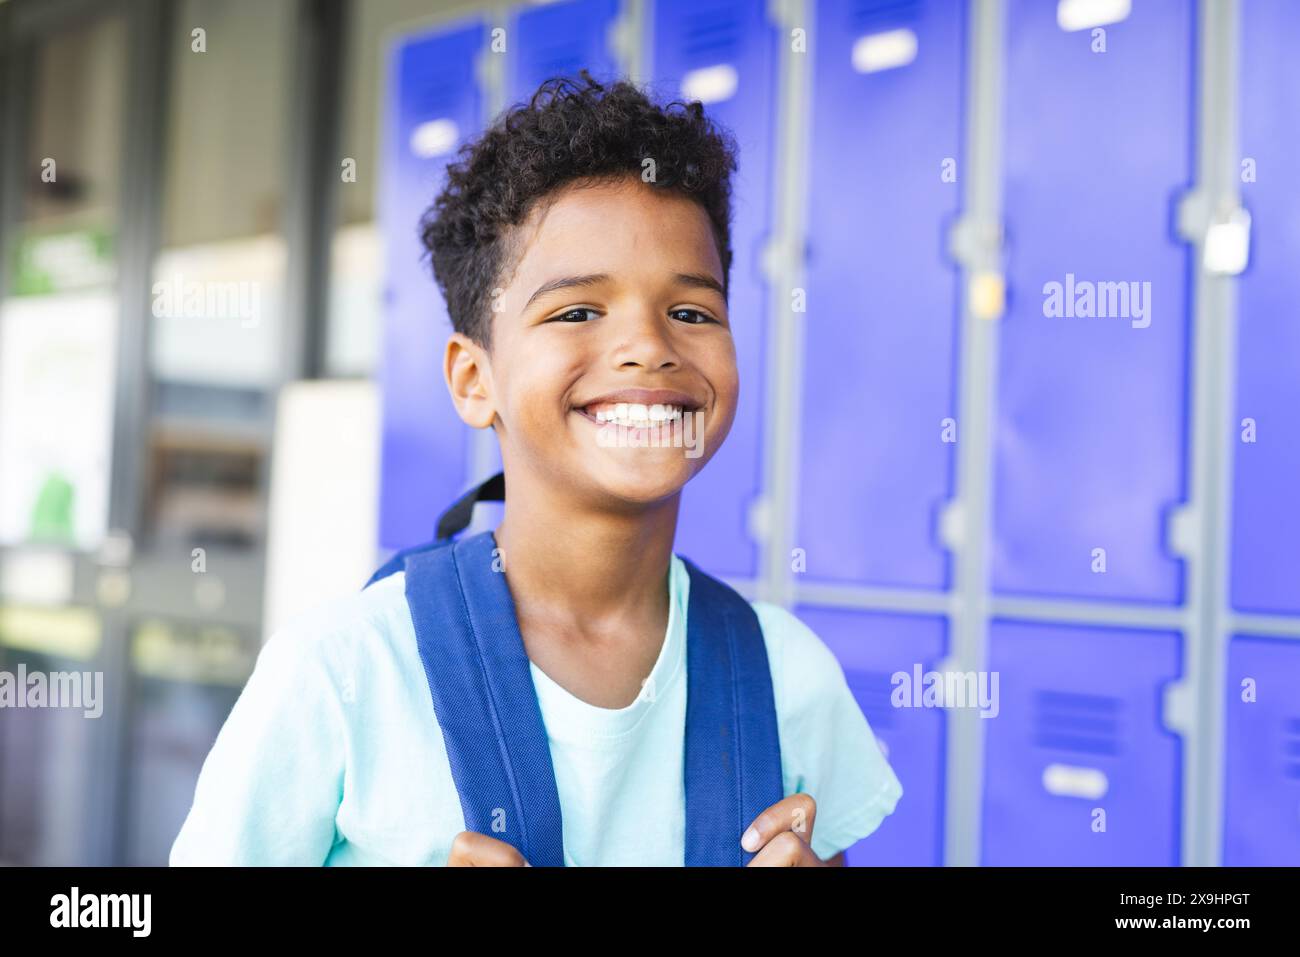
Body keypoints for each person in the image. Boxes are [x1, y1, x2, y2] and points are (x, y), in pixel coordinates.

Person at [170, 72, 901, 866]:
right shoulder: (343, 674)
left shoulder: (785, 674)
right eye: (578, 310)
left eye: (691, 311)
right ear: (473, 379)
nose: (649, 346)